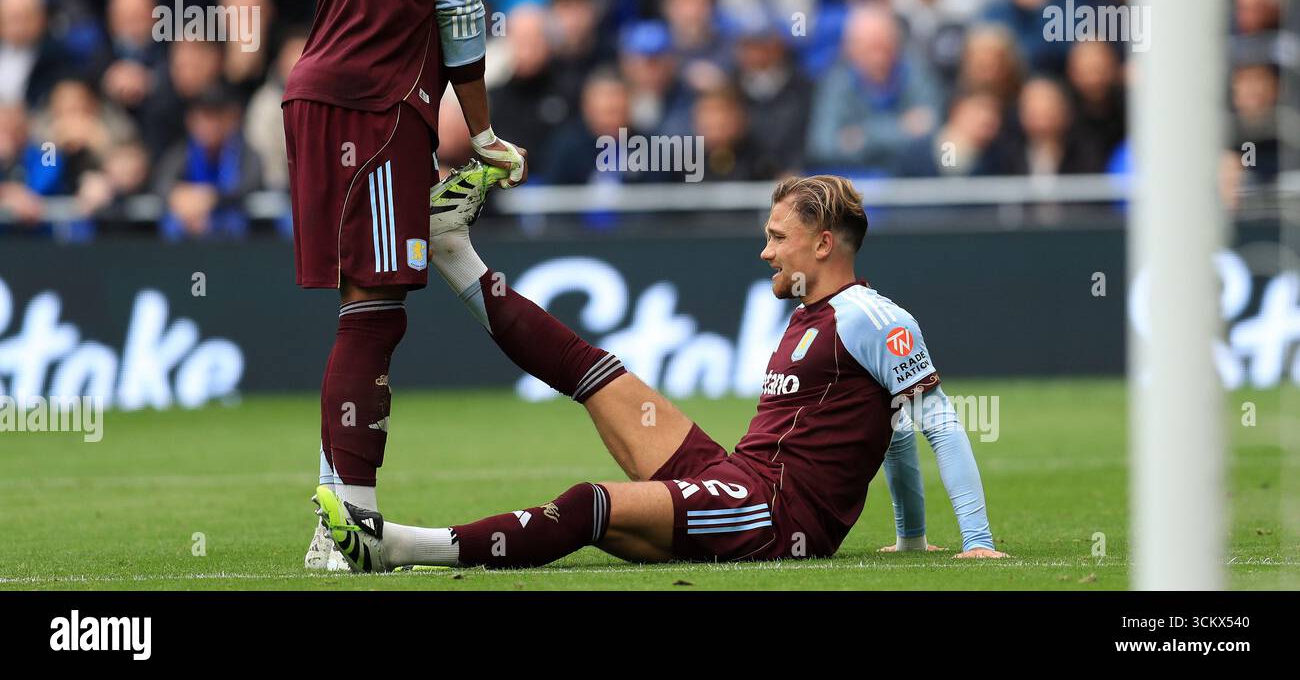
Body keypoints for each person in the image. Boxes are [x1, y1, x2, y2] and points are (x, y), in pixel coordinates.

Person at [313, 169, 1006, 570]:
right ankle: (452, 247)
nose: (766, 253)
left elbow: (934, 424)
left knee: (593, 504)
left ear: (824, 245)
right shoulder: (809, 313)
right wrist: (911, 538)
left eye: (777, 238)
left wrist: (975, 543)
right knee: (593, 372)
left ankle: (398, 548)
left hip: (772, 513)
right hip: (739, 477)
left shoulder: (872, 316)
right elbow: (896, 433)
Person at [283, 0, 546, 571]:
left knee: (366, 303)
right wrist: (483, 126)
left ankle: (333, 525)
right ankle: (351, 529)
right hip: (377, 96)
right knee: (378, 306)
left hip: (321, 90)